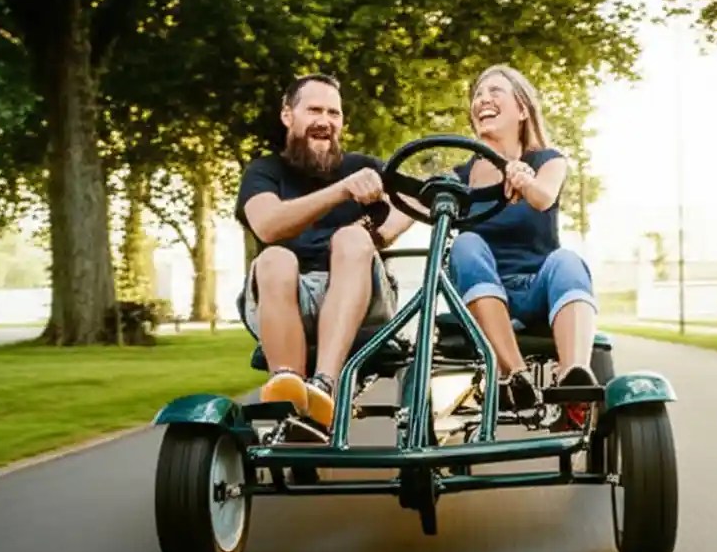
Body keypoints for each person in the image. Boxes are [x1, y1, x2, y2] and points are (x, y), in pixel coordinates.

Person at [235, 73, 414, 433]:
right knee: (274, 256)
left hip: (361, 296)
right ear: (288, 115)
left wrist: (380, 234)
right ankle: (288, 392)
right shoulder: (264, 171)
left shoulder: (364, 166)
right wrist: (342, 192)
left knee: (351, 239)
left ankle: (322, 389)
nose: (325, 121)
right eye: (314, 110)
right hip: (286, 294)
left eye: (334, 113)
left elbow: (414, 198)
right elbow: (267, 225)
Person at [447, 64, 599, 419]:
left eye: (494, 91)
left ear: (521, 110)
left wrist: (523, 178)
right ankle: (516, 375)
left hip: (537, 292)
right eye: (478, 95)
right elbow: (399, 214)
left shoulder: (548, 161)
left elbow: (543, 197)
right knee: (467, 243)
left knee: (567, 260)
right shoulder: (457, 178)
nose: (483, 99)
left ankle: (573, 377)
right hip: (480, 296)